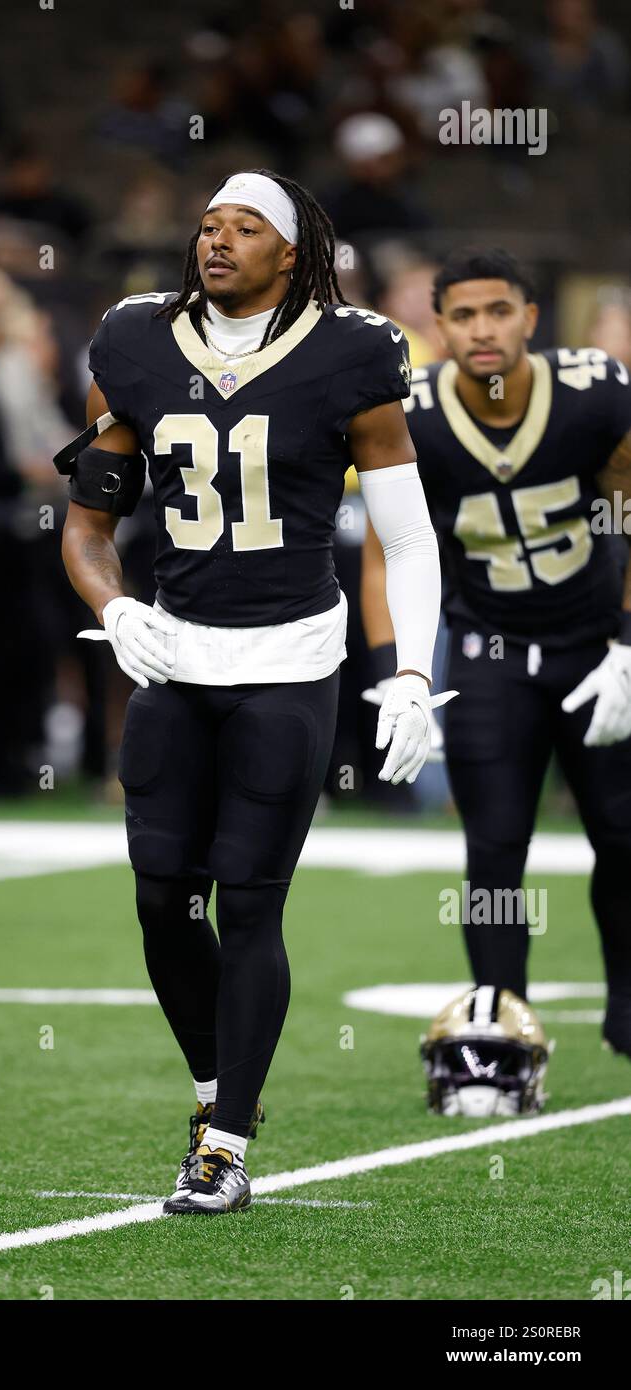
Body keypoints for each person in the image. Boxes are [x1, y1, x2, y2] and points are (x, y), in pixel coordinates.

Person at [60, 169, 445, 1214]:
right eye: (205, 225)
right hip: (175, 658)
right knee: (158, 900)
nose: (215, 241)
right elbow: (88, 523)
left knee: (252, 903)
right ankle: (213, 1094)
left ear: (292, 251)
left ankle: (225, 1144)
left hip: (288, 661)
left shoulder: (350, 349)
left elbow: (407, 537)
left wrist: (410, 669)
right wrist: (117, 606)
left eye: (243, 228)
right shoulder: (135, 339)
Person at [361, 247, 631, 1064]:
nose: (484, 329)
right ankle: (500, 1025)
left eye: (499, 310)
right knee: (494, 846)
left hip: (594, 647)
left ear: (531, 318)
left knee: (621, 834)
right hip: (489, 650)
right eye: (465, 314)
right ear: (437, 326)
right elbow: (382, 551)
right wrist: (394, 677)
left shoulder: (593, 393)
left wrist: (627, 643)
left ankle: (626, 1001)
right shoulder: (412, 411)